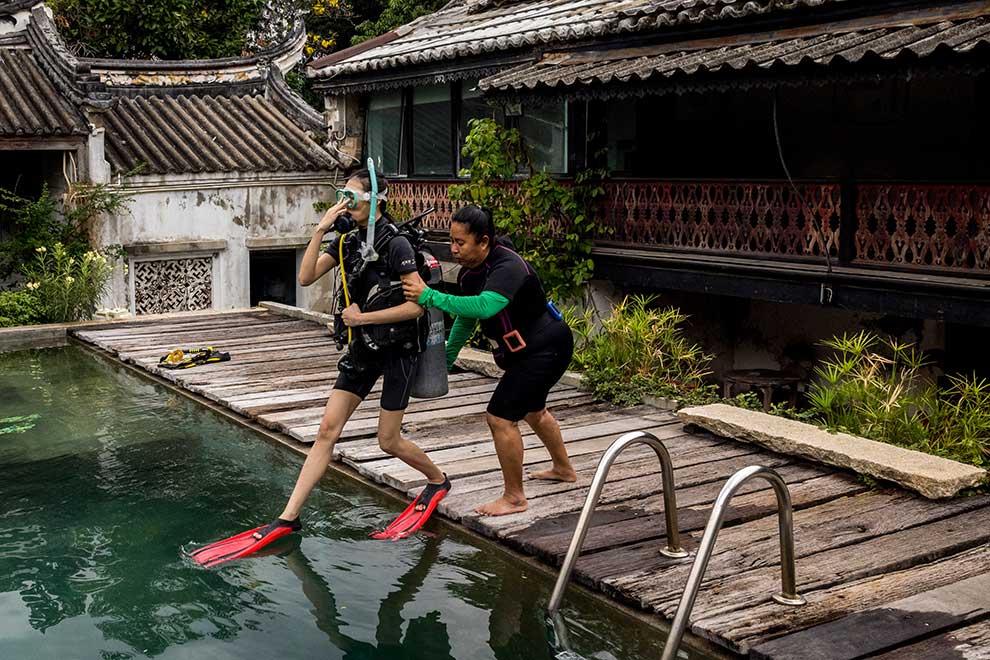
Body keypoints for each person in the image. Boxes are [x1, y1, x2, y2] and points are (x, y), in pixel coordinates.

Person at [189, 170, 450, 564]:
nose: (346, 203)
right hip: (363, 348)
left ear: (375, 200)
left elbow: (416, 307)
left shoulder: (396, 244)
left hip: (399, 349)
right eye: (342, 195)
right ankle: (288, 518)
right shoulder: (346, 242)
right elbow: (306, 275)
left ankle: (437, 480)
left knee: (388, 440)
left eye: (352, 196)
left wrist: (362, 319)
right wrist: (320, 230)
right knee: (327, 430)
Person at [402, 205, 577, 516]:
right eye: (451, 241)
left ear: (483, 241)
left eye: (460, 242)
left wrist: (429, 296)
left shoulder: (508, 266)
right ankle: (564, 470)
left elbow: (485, 307)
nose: (454, 249)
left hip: (546, 347)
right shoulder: (470, 273)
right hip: (529, 351)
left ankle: (514, 497)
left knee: (500, 417)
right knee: (534, 411)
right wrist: (447, 358)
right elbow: (467, 318)